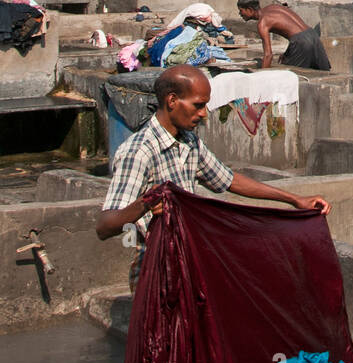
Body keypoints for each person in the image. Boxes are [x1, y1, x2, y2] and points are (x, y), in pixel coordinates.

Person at [96, 64, 331, 290]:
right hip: (156, 271)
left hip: (187, 262)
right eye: (198, 105)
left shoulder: (189, 141)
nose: (203, 114)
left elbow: (229, 180)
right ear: (172, 101)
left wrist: (293, 200)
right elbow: (105, 226)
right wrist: (145, 203)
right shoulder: (139, 152)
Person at [237, 0, 331, 71]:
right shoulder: (272, 7)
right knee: (323, 72)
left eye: (241, 10)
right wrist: (288, 53)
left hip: (301, 42)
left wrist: (262, 77)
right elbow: (295, 30)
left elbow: (268, 55)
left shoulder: (262, 23)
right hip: (312, 34)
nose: (240, 14)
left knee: (291, 76)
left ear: (250, 10)